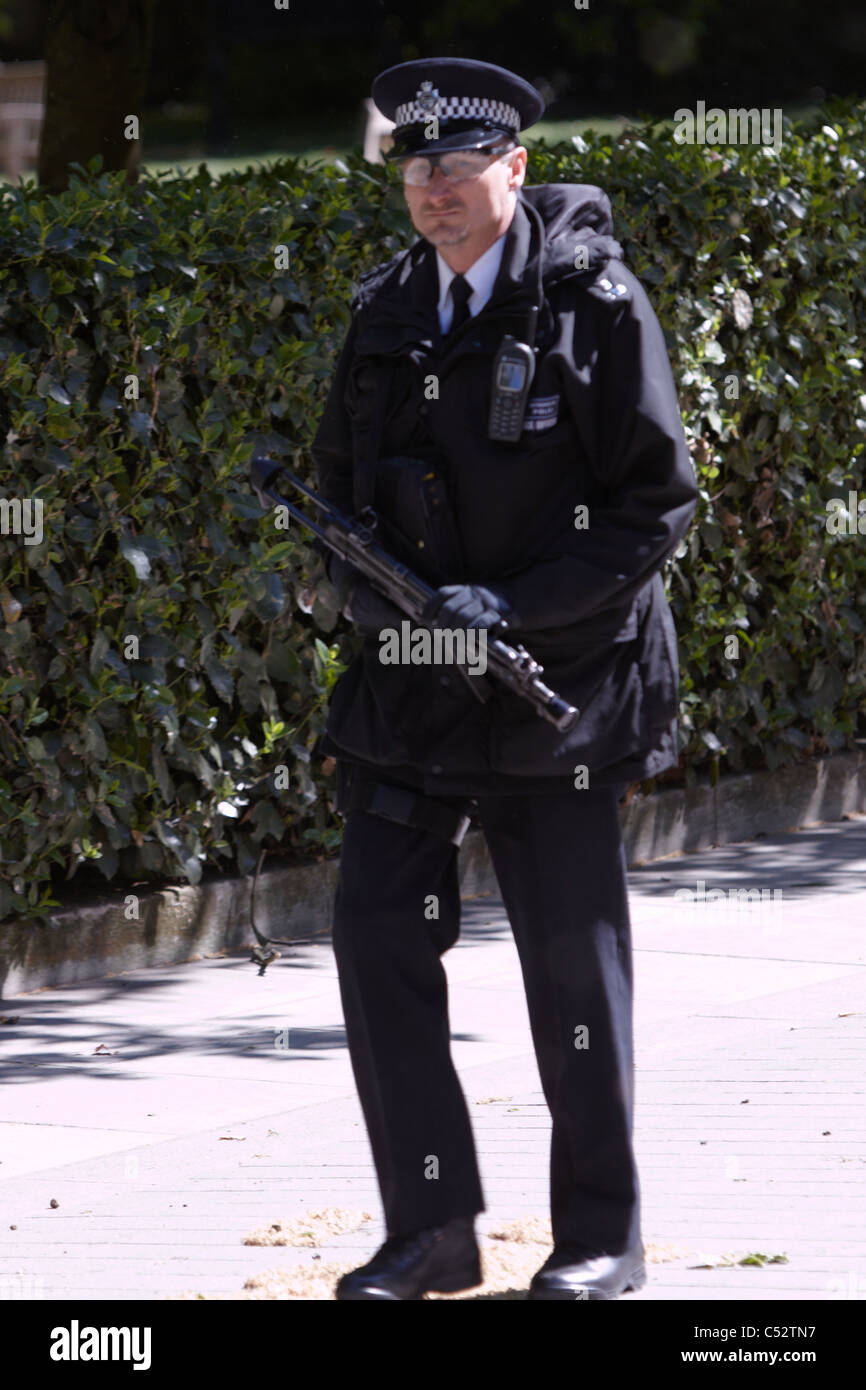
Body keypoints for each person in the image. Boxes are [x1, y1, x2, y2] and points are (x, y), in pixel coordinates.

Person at [309, 56, 699, 1300]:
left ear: (513, 168)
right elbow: (337, 499)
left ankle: (599, 1235)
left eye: (457, 165)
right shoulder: (384, 313)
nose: (434, 189)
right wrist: (381, 607)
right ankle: (431, 1233)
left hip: (559, 686)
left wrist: (517, 611)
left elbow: (655, 501)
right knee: (374, 932)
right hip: (414, 687)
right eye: (415, 168)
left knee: (570, 972)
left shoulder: (593, 302)